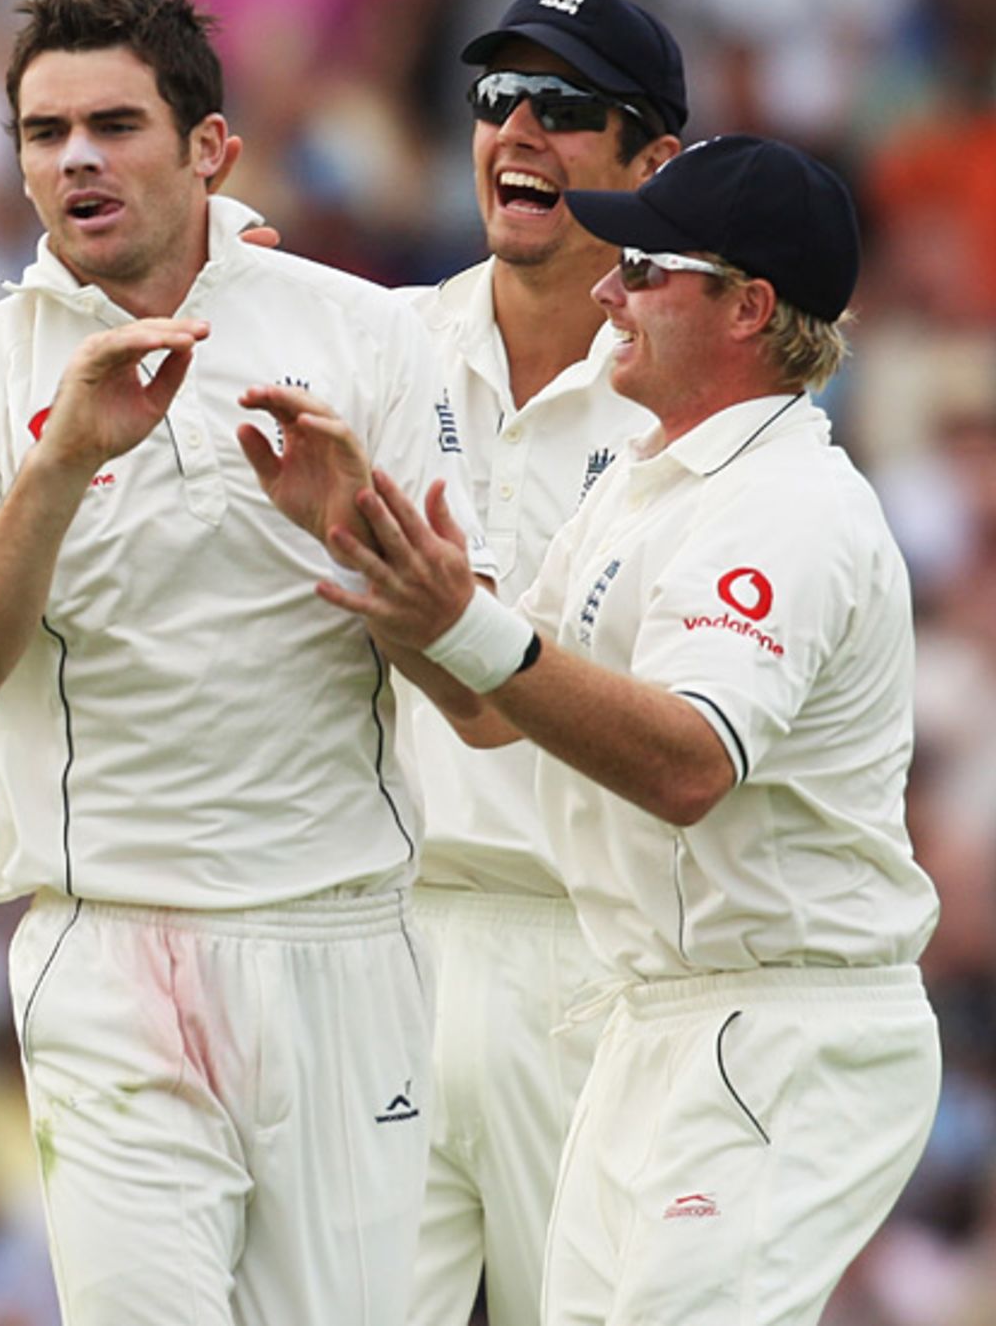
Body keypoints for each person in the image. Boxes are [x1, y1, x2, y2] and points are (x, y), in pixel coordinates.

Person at [0, 0, 496, 1326]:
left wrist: (359, 541)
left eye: (114, 125)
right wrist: (55, 471)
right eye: (45, 133)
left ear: (211, 147)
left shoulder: (368, 340)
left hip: (345, 945)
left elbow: (484, 700)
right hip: (113, 955)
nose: (78, 160)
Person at [259, 134, 943, 1324]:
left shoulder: (785, 507)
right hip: (653, 1013)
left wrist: (466, 627)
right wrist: (360, 541)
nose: (605, 291)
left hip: (784, 1021)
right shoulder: (645, 478)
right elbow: (486, 707)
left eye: (645, 265)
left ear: (751, 307)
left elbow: (686, 764)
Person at [393, 0, 685, 1326]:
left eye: (567, 109)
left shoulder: (695, 406)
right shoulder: (384, 345)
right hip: (384, 942)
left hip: (588, 957)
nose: (519, 129)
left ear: (654, 163)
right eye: (498, 99)